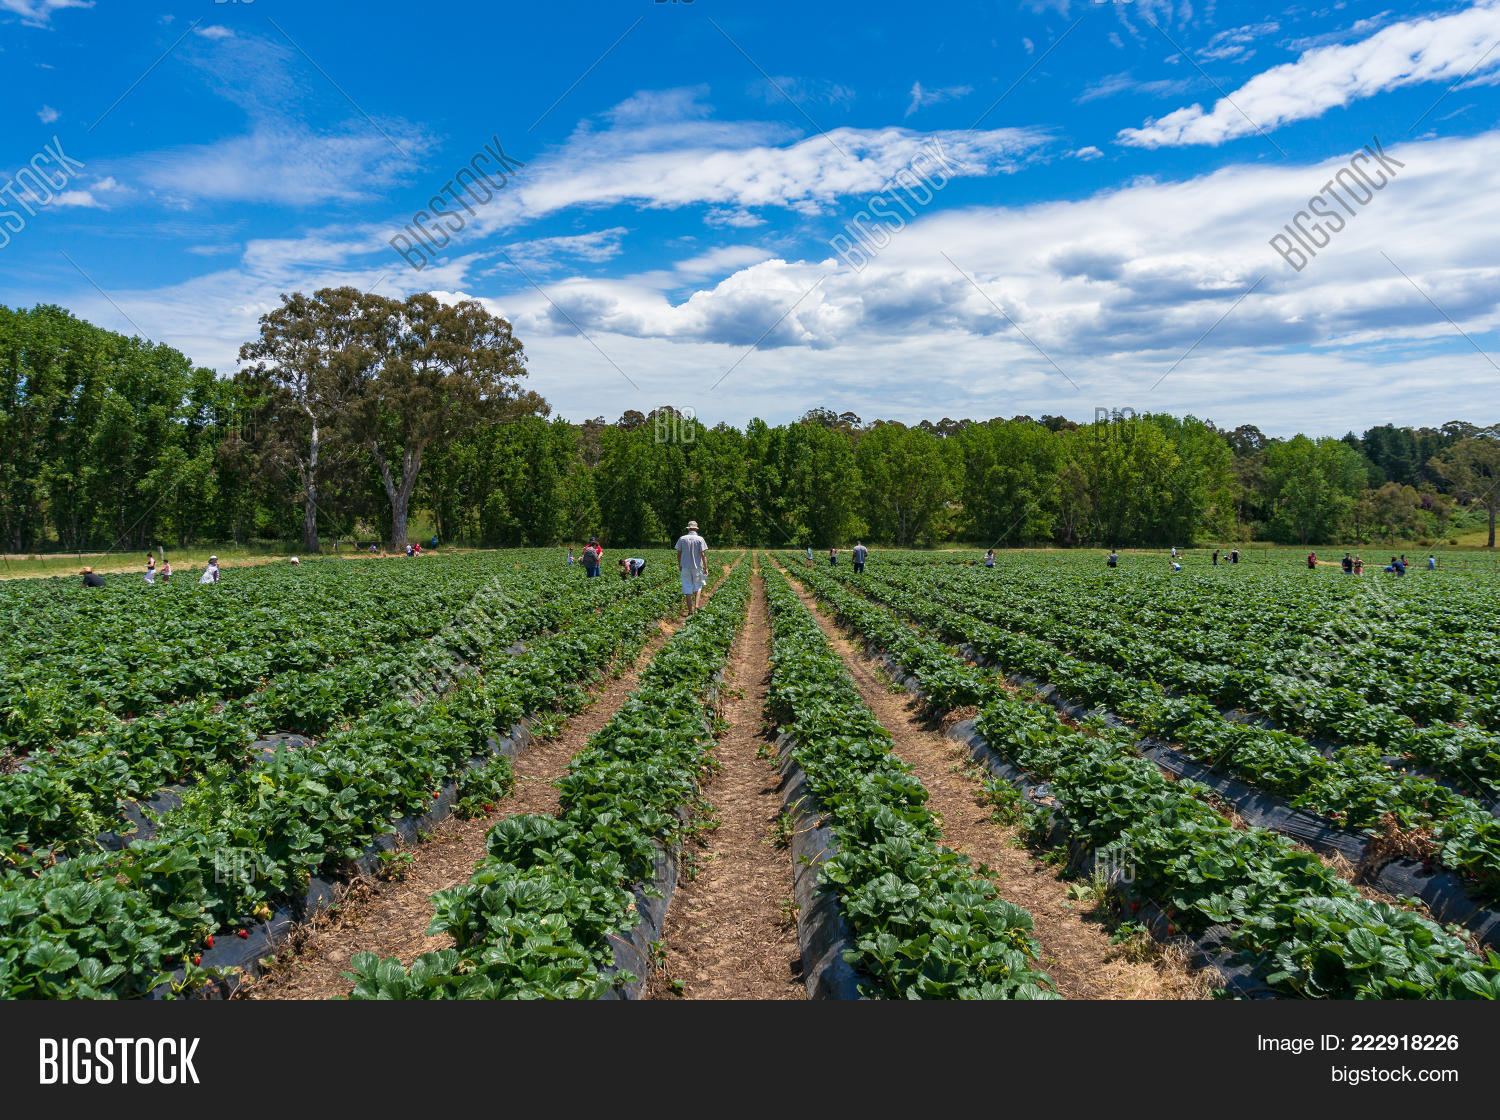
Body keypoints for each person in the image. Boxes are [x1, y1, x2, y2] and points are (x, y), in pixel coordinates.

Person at [675, 520, 708, 615]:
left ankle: (690, 611)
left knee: (687, 587)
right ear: (696, 529)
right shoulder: (700, 539)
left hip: (685, 567)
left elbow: (679, 554)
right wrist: (706, 568)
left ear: (688, 529)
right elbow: (703, 554)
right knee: (698, 586)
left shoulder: (682, 538)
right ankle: (696, 606)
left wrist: (680, 565)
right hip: (697, 567)